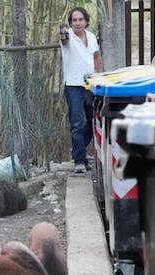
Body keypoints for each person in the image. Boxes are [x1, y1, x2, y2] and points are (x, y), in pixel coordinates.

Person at [59, 7, 103, 174]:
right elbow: (63, 39)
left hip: (91, 84)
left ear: (86, 21)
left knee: (94, 122)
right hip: (73, 86)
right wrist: (63, 30)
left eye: (80, 19)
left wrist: (101, 76)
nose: (77, 23)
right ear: (71, 23)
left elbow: (96, 56)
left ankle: (77, 150)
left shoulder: (91, 37)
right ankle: (80, 161)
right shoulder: (68, 37)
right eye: (74, 20)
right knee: (77, 124)